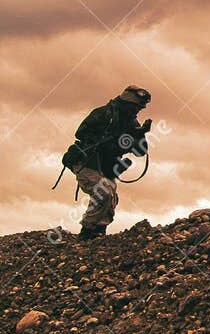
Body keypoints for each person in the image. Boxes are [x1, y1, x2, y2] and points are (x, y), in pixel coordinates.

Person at [61, 86, 152, 240]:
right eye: (136, 107)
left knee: (111, 198)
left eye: (140, 108)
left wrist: (139, 134)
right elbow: (81, 133)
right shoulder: (104, 114)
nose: (138, 110)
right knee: (103, 193)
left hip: (106, 166)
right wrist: (109, 138)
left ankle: (99, 230)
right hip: (87, 162)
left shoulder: (132, 123)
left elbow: (140, 151)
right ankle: (87, 232)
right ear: (127, 103)